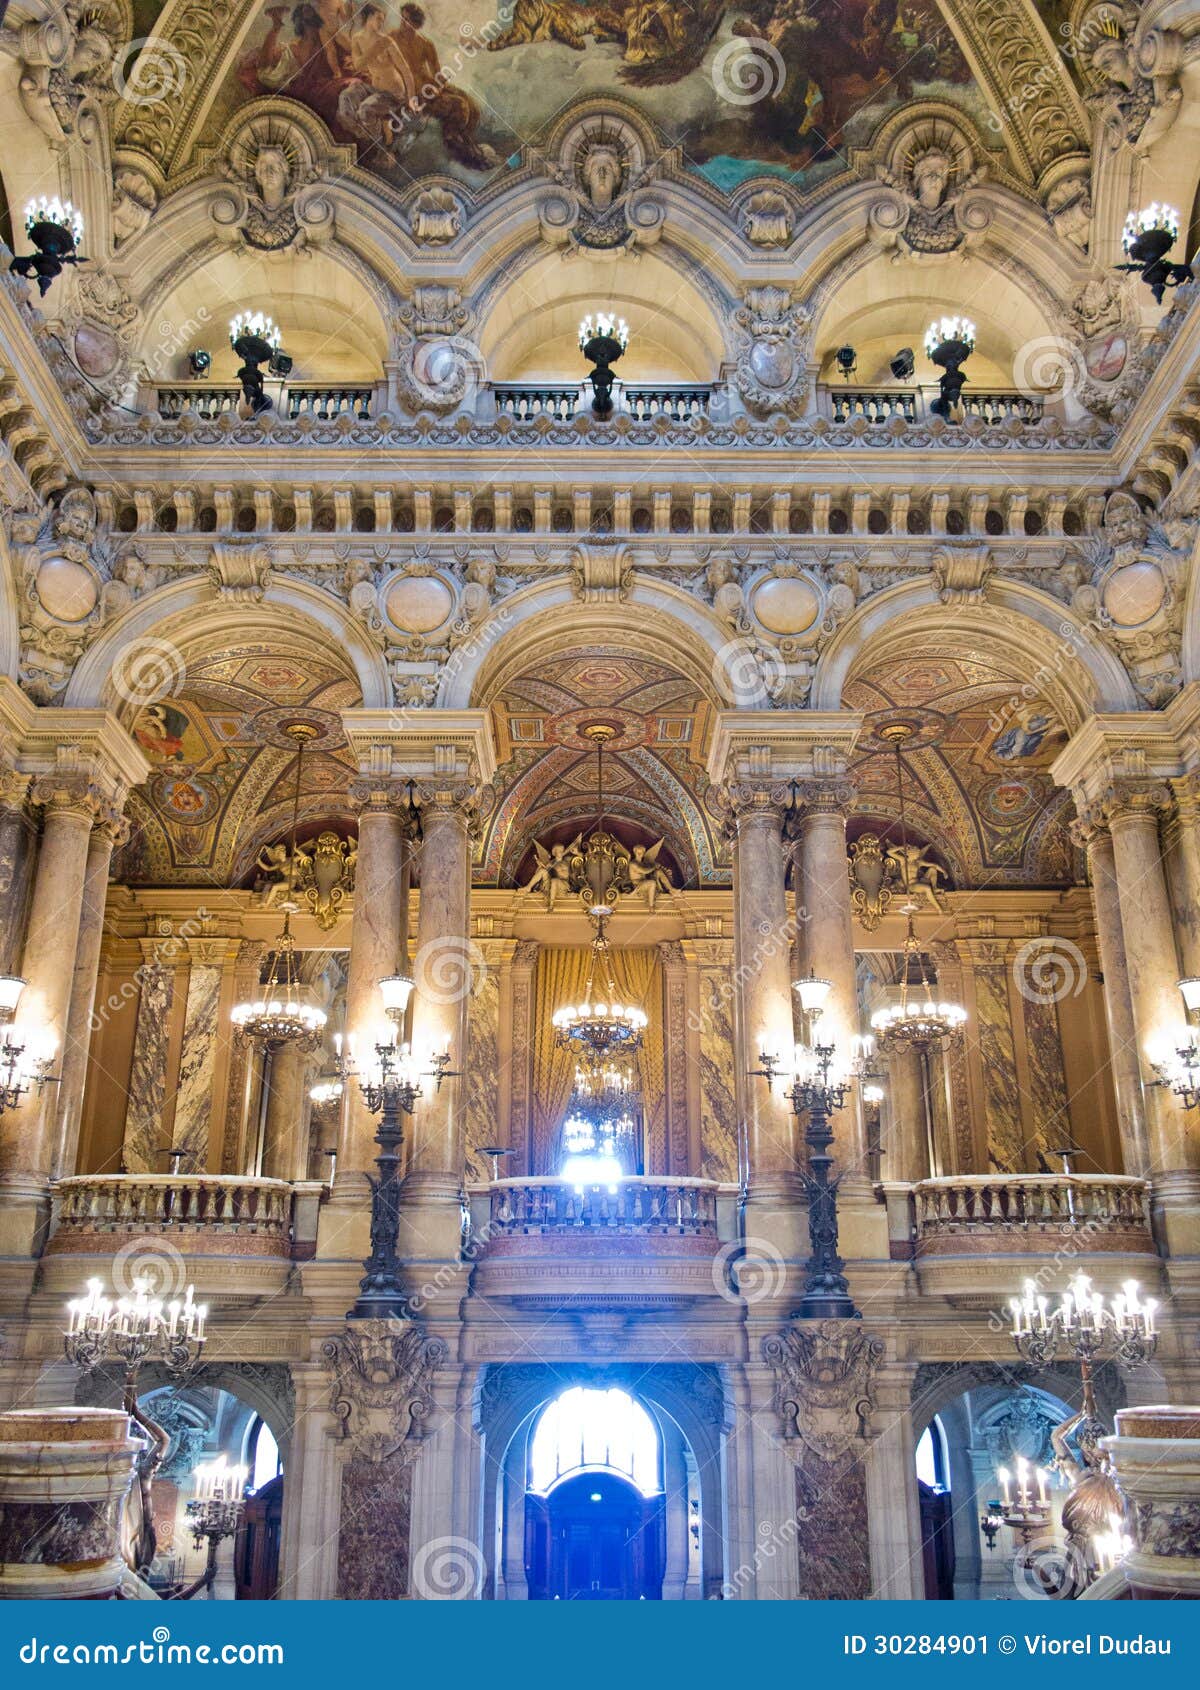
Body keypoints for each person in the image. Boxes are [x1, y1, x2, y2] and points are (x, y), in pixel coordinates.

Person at [389, 4, 499, 171]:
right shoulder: (392, 39)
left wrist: (438, 87)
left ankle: (468, 142)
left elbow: (437, 73)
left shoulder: (425, 43)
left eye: (408, 20)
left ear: (417, 24)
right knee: (458, 106)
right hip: (410, 90)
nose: (403, 23)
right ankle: (460, 148)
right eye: (403, 18)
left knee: (471, 104)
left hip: (427, 85)